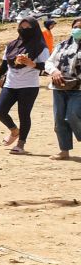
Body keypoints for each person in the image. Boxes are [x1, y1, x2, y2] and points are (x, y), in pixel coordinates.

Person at [0, 17, 49, 155]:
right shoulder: (12, 45)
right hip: (11, 84)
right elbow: (5, 64)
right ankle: (14, 131)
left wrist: (32, 64)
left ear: (34, 29)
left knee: (24, 115)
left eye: (27, 28)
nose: (24, 30)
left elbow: (47, 68)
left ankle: (21, 144)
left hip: (29, 86)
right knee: (0, 110)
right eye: (21, 28)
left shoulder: (41, 47)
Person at [46, 17, 81, 160]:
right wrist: (54, 71)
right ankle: (64, 150)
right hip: (59, 86)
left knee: (73, 115)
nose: (78, 29)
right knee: (59, 119)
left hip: (79, 88)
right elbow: (49, 62)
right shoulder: (62, 45)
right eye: (76, 26)